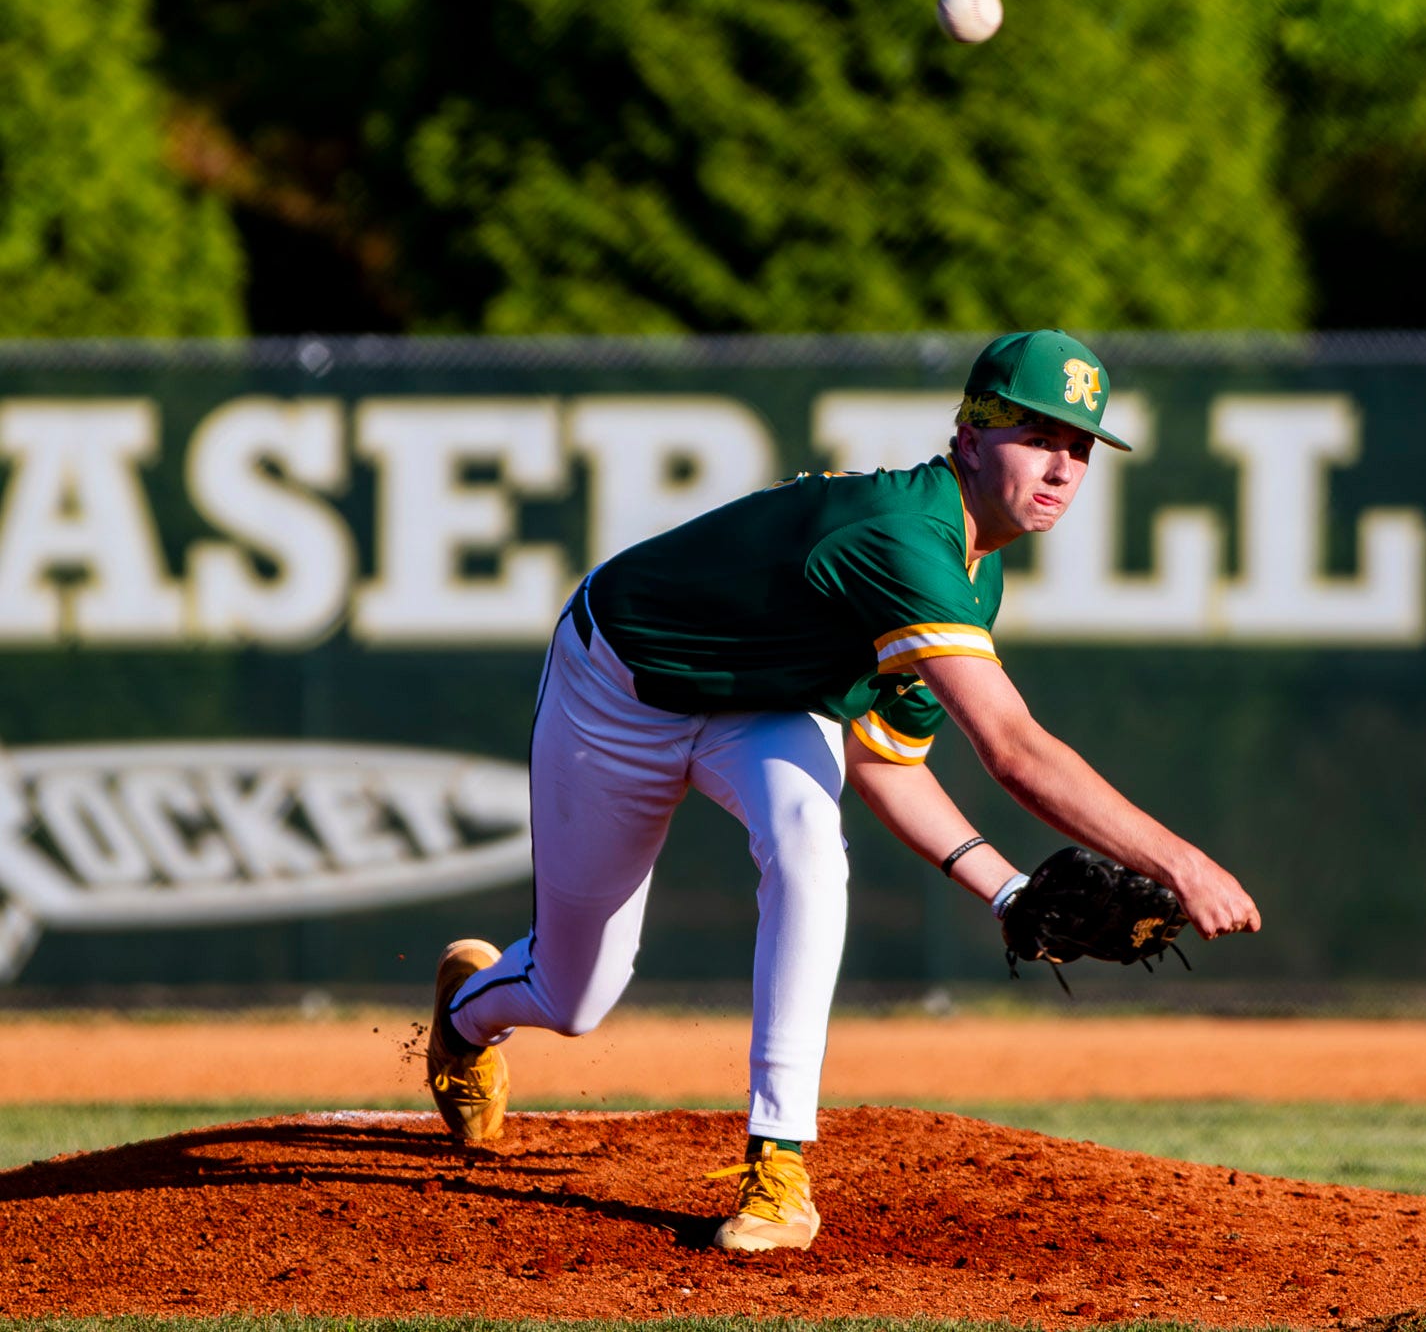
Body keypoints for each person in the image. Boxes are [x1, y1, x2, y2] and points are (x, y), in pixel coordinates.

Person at [424, 329, 1265, 1250]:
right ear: (972, 434)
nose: (1063, 466)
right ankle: (469, 1014)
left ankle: (777, 1168)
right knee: (576, 996)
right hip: (620, 688)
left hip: (761, 707)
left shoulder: (970, 580)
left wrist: (1009, 890)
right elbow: (1014, 750)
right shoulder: (906, 538)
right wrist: (1178, 861)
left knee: (811, 853)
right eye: (1038, 434)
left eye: (1080, 446)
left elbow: (884, 760)